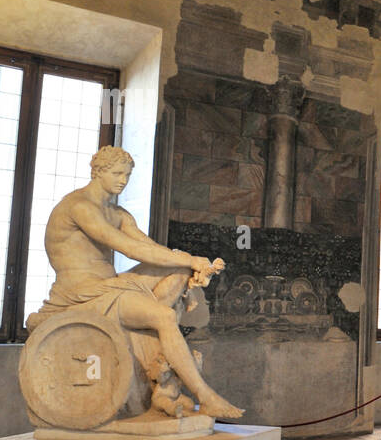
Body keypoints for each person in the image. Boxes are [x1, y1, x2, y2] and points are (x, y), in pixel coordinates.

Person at [29, 146, 243, 419]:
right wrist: (190, 260)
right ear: (98, 172)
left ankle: (163, 386)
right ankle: (205, 395)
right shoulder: (79, 207)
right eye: (117, 173)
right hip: (82, 294)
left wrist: (192, 262)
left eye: (127, 175)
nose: (123, 180)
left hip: (111, 286)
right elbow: (129, 249)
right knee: (165, 315)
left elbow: (150, 247)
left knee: (177, 269)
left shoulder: (118, 214)